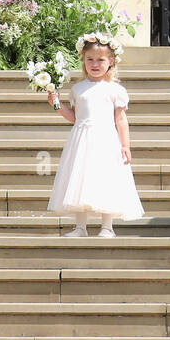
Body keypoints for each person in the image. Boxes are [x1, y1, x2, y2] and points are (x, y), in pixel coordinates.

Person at [46, 32, 145, 237]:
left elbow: (120, 119)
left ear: (111, 61)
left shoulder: (114, 89)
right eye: (90, 59)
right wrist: (56, 103)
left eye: (100, 60)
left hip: (106, 139)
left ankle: (107, 227)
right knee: (80, 181)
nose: (95, 64)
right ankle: (80, 227)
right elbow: (74, 116)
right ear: (83, 61)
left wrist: (125, 145)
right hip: (81, 140)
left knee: (105, 179)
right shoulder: (78, 88)